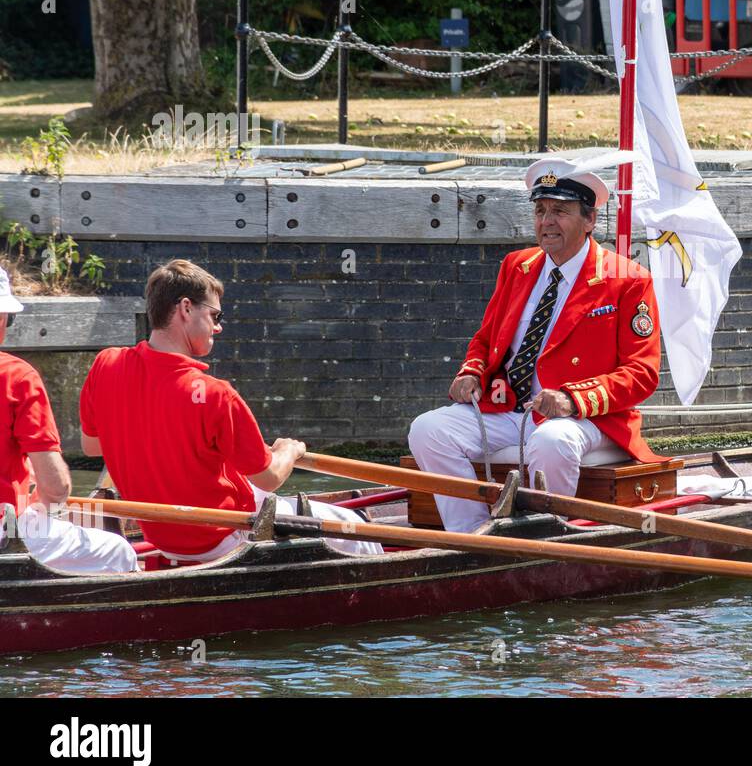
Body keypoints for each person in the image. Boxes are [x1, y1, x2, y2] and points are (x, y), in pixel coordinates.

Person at [408, 156, 662, 532]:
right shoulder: (517, 265)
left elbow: (642, 373)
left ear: (590, 220)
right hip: (511, 409)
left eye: (560, 211)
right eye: (540, 210)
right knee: (427, 429)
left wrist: (572, 399)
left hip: (587, 417)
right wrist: (471, 373)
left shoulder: (627, 279)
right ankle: (473, 534)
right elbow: (485, 339)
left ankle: (546, 534)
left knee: (552, 440)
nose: (546, 221)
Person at [79, 259, 381, 562]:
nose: (219, 326)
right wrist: (290, 451)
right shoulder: (215, 395)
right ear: (186, 308)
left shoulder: (106, 364)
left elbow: (92, 446)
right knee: (359, 531)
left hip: (162, 538)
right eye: (214, 314)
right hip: (222, 537)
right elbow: (269, 477)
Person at [0, 267, 137, 573]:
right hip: (5, 530)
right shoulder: (16, 377)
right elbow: (56, 489)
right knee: (120, 552)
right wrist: (39, 506)